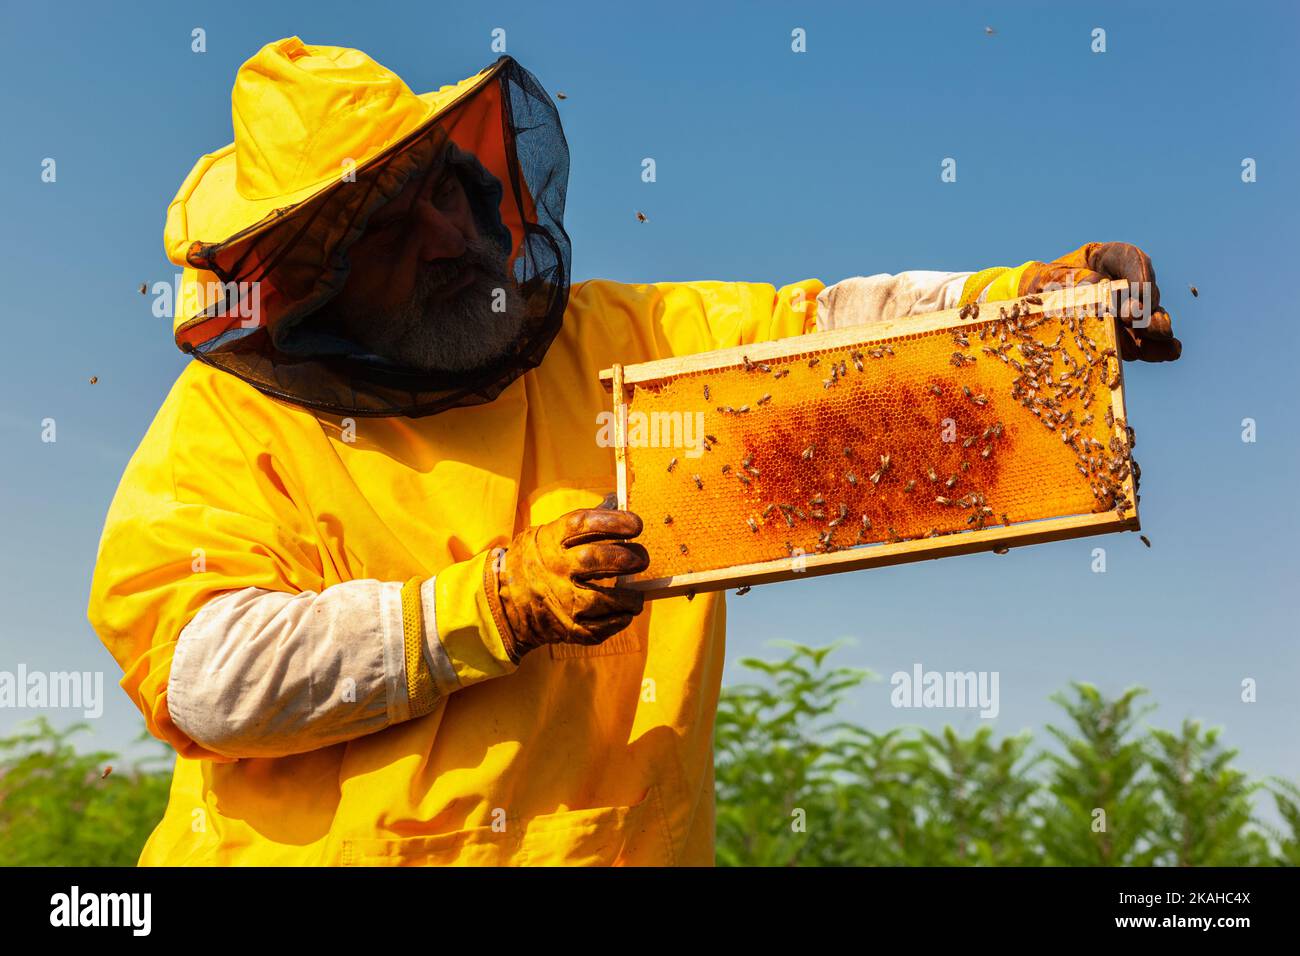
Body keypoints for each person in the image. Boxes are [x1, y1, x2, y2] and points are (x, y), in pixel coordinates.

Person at [87, 37, 1179, 866]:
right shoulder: (230, 420)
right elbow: (204, 673)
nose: (457, 239)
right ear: (305, 274)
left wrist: (1014, 308)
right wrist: (492, 604)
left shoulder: (624, 346)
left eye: (453, 193)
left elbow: (823, 331)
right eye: (389, 228)